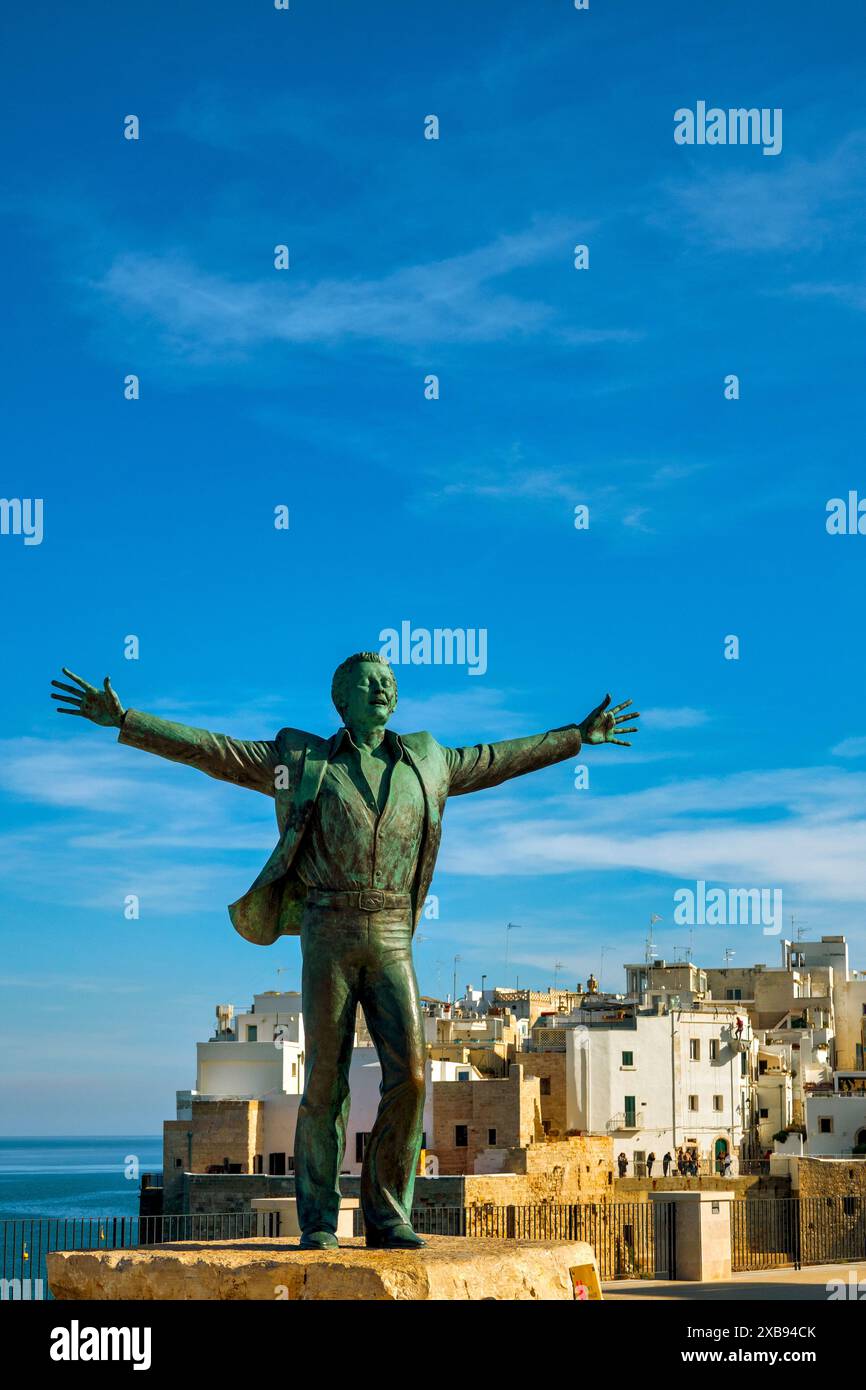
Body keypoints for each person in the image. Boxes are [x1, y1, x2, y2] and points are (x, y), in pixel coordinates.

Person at [51, 656, 640, 1252]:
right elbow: (218, 753)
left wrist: (575, 737)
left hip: (391, 932)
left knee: (410, 1074)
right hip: (327, 928)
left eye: (389, 681)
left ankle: (388, 1215)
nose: (382, 688)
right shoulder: (302, 762)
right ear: (342, 700)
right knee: (323, 1085)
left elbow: (495, 761)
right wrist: (128, 720)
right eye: (367, 682)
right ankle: (319, 1222)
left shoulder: (428, 762)